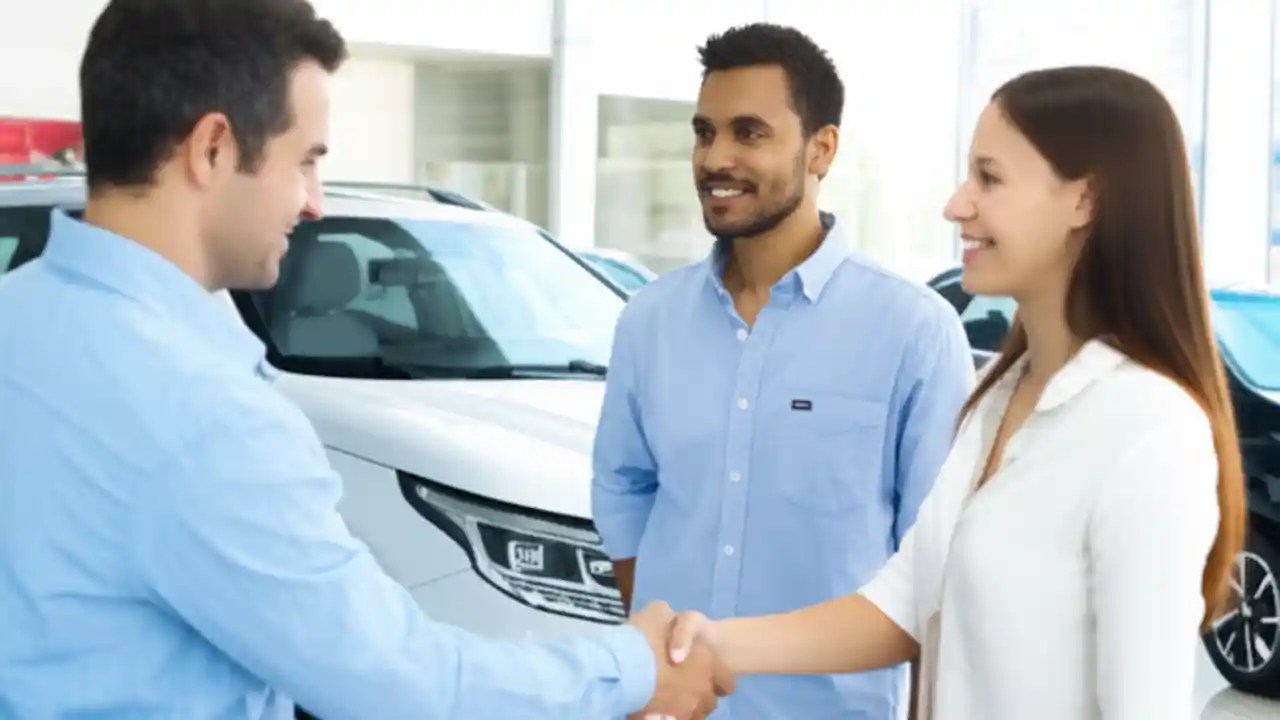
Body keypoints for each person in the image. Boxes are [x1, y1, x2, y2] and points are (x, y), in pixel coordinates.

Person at [0, 2, 733, 719]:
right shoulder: (202, 413)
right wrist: (636, 670)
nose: (315, 201)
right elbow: (402, 685)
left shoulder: (18, 322)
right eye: (306, 161)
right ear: (213, 149)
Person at [661, 65, 1248, 719]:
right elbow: (904, 603)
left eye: (989, 179)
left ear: (1087, 200)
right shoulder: (998, 402)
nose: (956, 204)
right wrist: (714, 641)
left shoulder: (1147, 427)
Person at [591, 23, 975, 719]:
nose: (716, 158)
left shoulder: (913, 332)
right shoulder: (649, 319)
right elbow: (624, 491)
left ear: (821, 148)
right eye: (705, 133)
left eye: (749, 133)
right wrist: (663, 654)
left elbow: (935, 569)